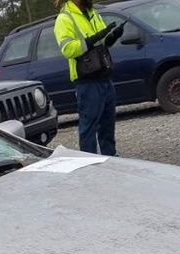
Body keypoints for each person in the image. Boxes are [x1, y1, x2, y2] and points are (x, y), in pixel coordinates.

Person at [54, 0, 123, 156]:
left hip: (104, 77)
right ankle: (88, 162)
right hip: (87, 81)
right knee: (89, 128)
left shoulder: (92, 13)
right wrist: (94, 38)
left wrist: (112, 37)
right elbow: (68, 49)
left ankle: (110, 159)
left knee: (107, 125)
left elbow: (102, 42)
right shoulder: (64, 19)